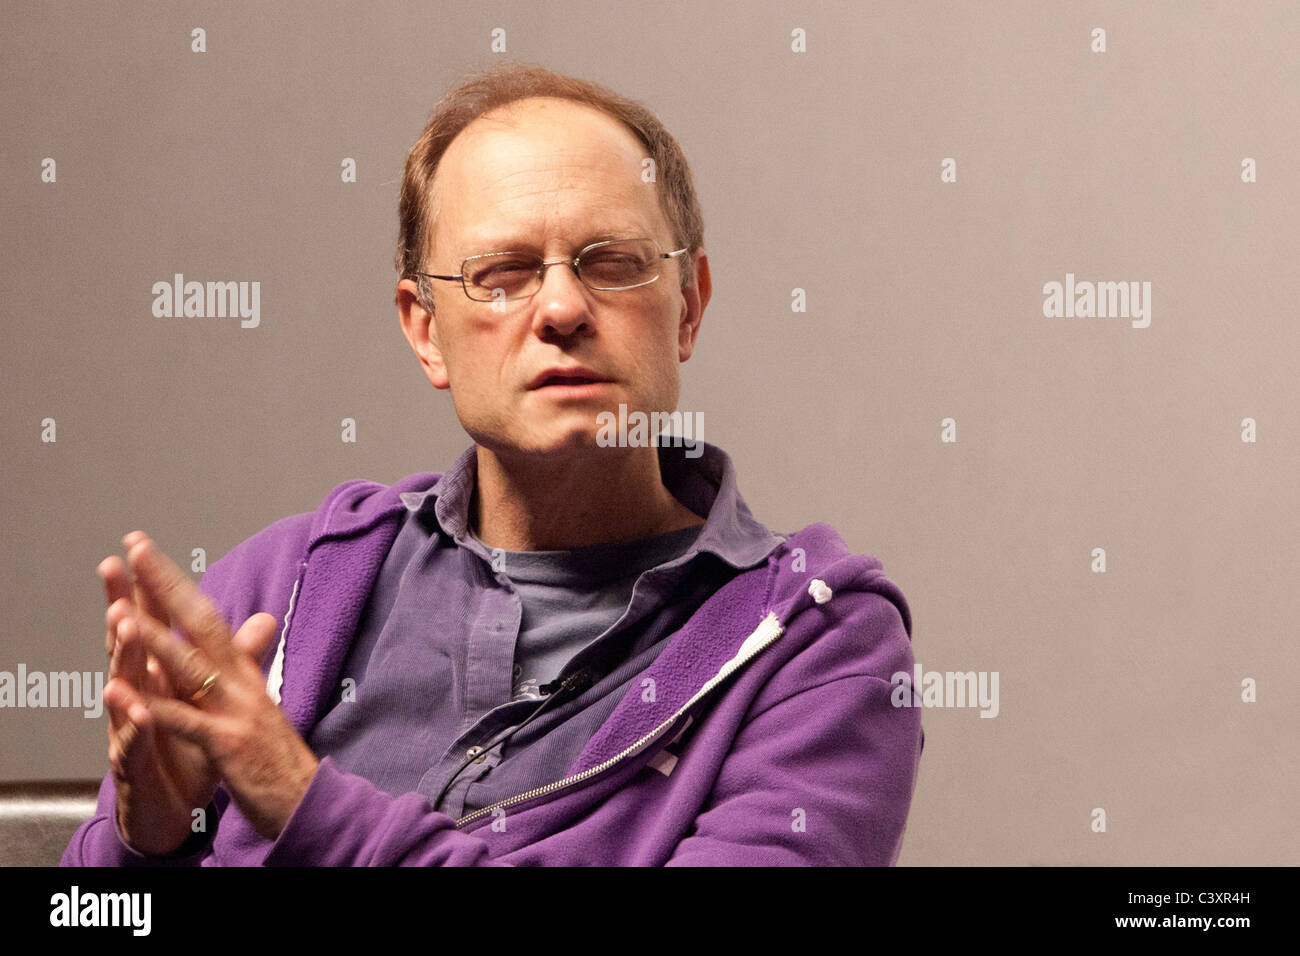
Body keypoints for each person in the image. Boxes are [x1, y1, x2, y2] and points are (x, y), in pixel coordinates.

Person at [62, 63, 923, 866]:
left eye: (612, 264)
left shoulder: (819, 649)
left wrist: (302, 803)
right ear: (426, 329)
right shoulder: (279, 589)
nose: (559, 307)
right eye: (503, 273)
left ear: (689, 306)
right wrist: (145, 843)